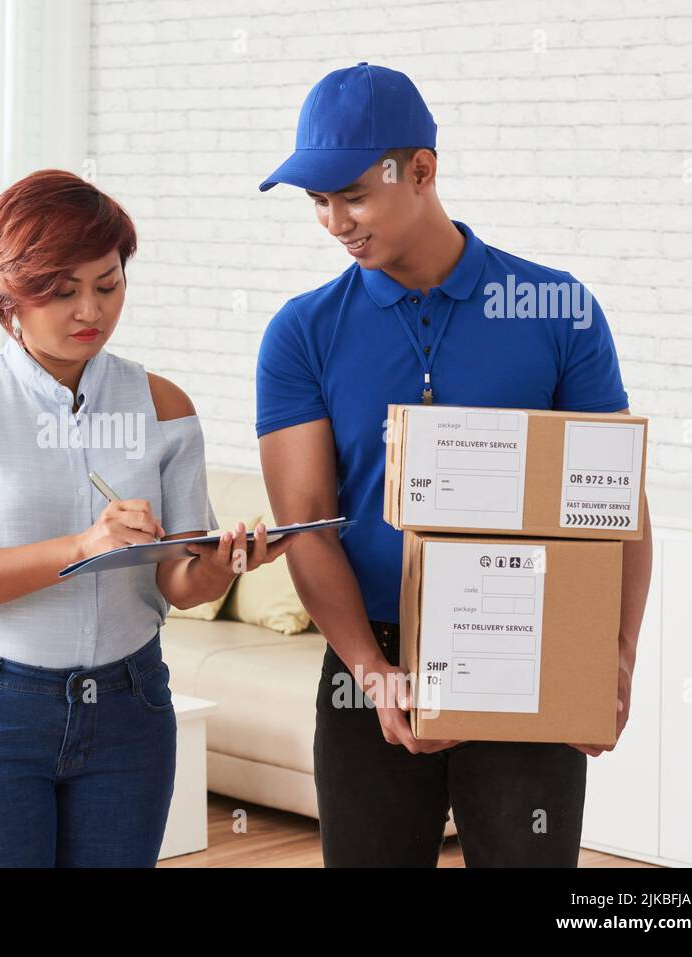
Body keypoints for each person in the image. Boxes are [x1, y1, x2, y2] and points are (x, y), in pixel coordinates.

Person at [254, 62, 652, 867]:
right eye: (317, 201)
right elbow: (307, 525)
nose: (335, 221)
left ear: (423, 171)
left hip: (530, 652)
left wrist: (610, 659)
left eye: (353, 194)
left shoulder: (556, 308)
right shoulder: (301, 333)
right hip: (373, 664)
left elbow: (617, 504)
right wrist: (371, 671)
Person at [0, 169, 294, 867]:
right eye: (62, 290)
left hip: (130, 704)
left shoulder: (162, 406)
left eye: (107, 284)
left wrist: (221, 564)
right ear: (9, 291)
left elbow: (179, 582)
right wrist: (81, 544)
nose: (89, 310)